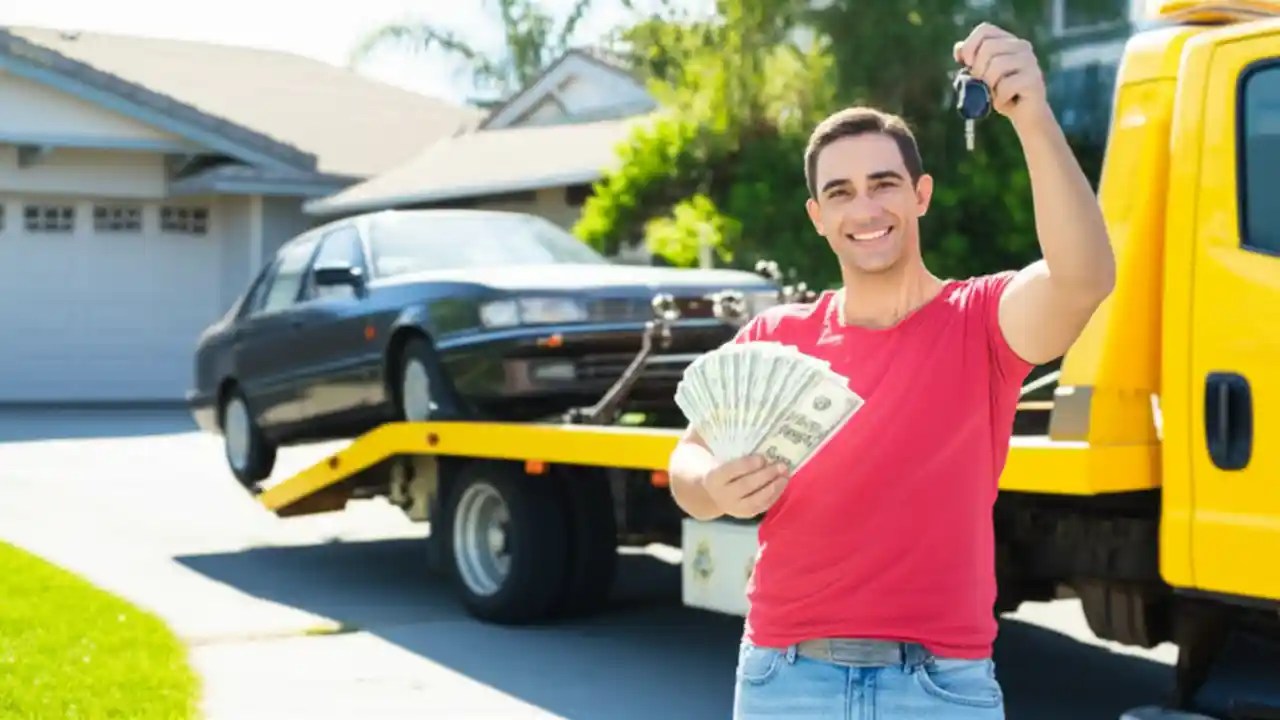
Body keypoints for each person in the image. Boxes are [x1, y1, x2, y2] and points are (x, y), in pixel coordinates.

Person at [666, 22, 1116, 719]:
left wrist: (1031, 115)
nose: (865, 207)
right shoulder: (775, 337)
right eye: (840, 192)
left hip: (941, 687)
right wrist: (714, 486)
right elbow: (687, 466)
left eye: (884, 183)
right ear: (818, 217)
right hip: (785, 680)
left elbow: (1084, 278)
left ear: (921, 195)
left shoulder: (983, 321)